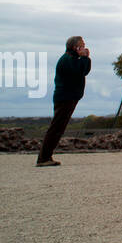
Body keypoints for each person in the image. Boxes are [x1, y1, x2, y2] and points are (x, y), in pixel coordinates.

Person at [36, 36, 91, 167]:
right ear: (75, 47)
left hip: (69, 97)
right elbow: (79, 71)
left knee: (58, 128)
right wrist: (84, 58)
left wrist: (85, 58)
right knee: (56, 128)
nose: (84, 48)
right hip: (65, 97)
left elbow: (85, 71)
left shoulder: (72, 59)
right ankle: (43, 158)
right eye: (82, 46)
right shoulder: (67, 59)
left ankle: (46, 156)